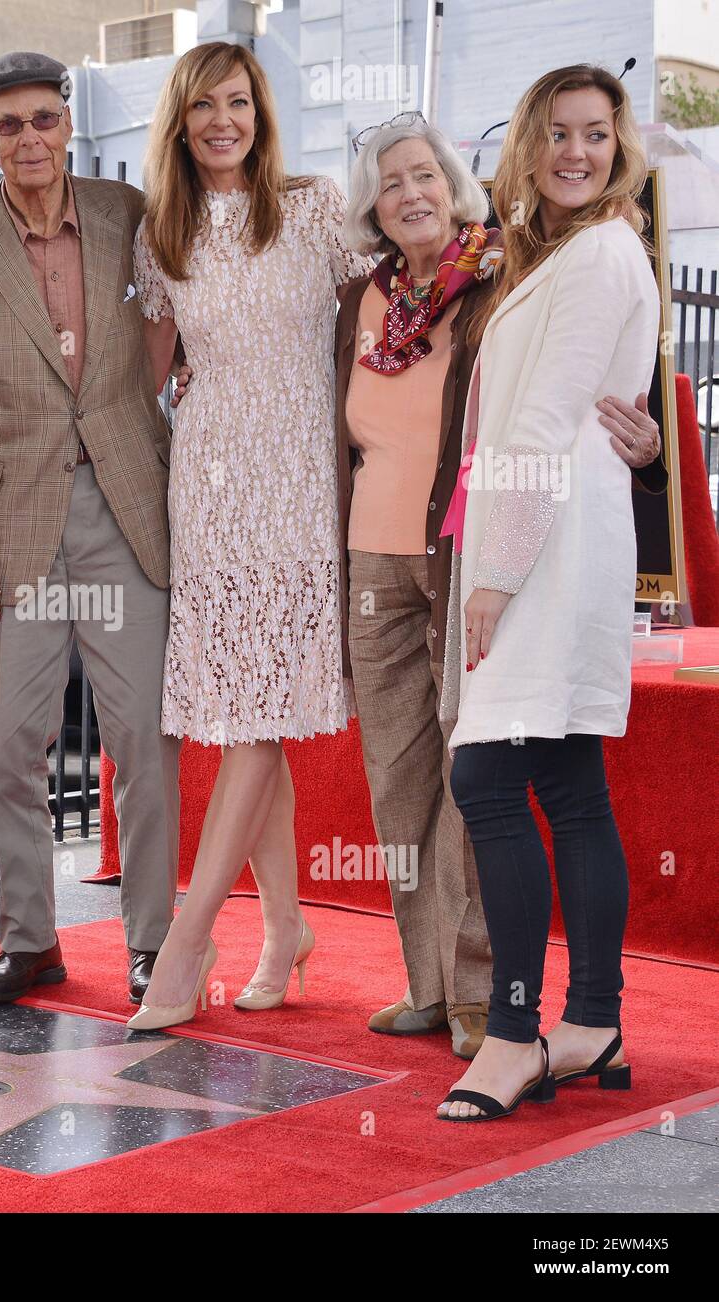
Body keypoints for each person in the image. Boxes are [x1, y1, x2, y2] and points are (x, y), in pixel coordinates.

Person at [335, 114, 664, 1059]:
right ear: (373, 208)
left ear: (456, 185)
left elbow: (580, 405)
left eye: (425, 175)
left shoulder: (500, 278)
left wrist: (647, 453)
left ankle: (483, 991)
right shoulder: (359, 301)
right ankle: (428, 983)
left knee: (471, 769)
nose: (411, 194)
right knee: (399, 781)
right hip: (372, 556)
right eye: (391, 182)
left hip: (465, 554)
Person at [0, 51, 182, 1005]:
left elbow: (183, 320)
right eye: (8, 124)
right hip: (14, 528)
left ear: (67, 123)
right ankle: (29, 941)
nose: (29, 137)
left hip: (126, 507)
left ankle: (154, 943)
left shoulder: (129, 214)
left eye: (43, 118)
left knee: (143, 742)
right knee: (10, 746)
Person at [127, 41, 368, 1030]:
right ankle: (283, 928)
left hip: (301, 488)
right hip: (211, 491)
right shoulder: (159, 234)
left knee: (261, 717)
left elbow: (382, 325)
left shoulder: (315, 208)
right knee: (241, 715)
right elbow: (146, 375)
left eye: (238, 102)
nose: (222, 121)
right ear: (179, 123)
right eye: (203, 106)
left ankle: (189, 943)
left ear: (260, 113)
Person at [437, 64, 662, 1120]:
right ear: (528, 147)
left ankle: (515, 1033)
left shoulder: (601, 254)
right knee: (568, 784)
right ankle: (595, 1021)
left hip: (548, 548)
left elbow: (541, 421)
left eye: (596, 134)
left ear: (619, 147)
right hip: (561, 535)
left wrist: (496, 573)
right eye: (558, 133)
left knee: (486, 777)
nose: (577, 151)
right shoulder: (574, 250)